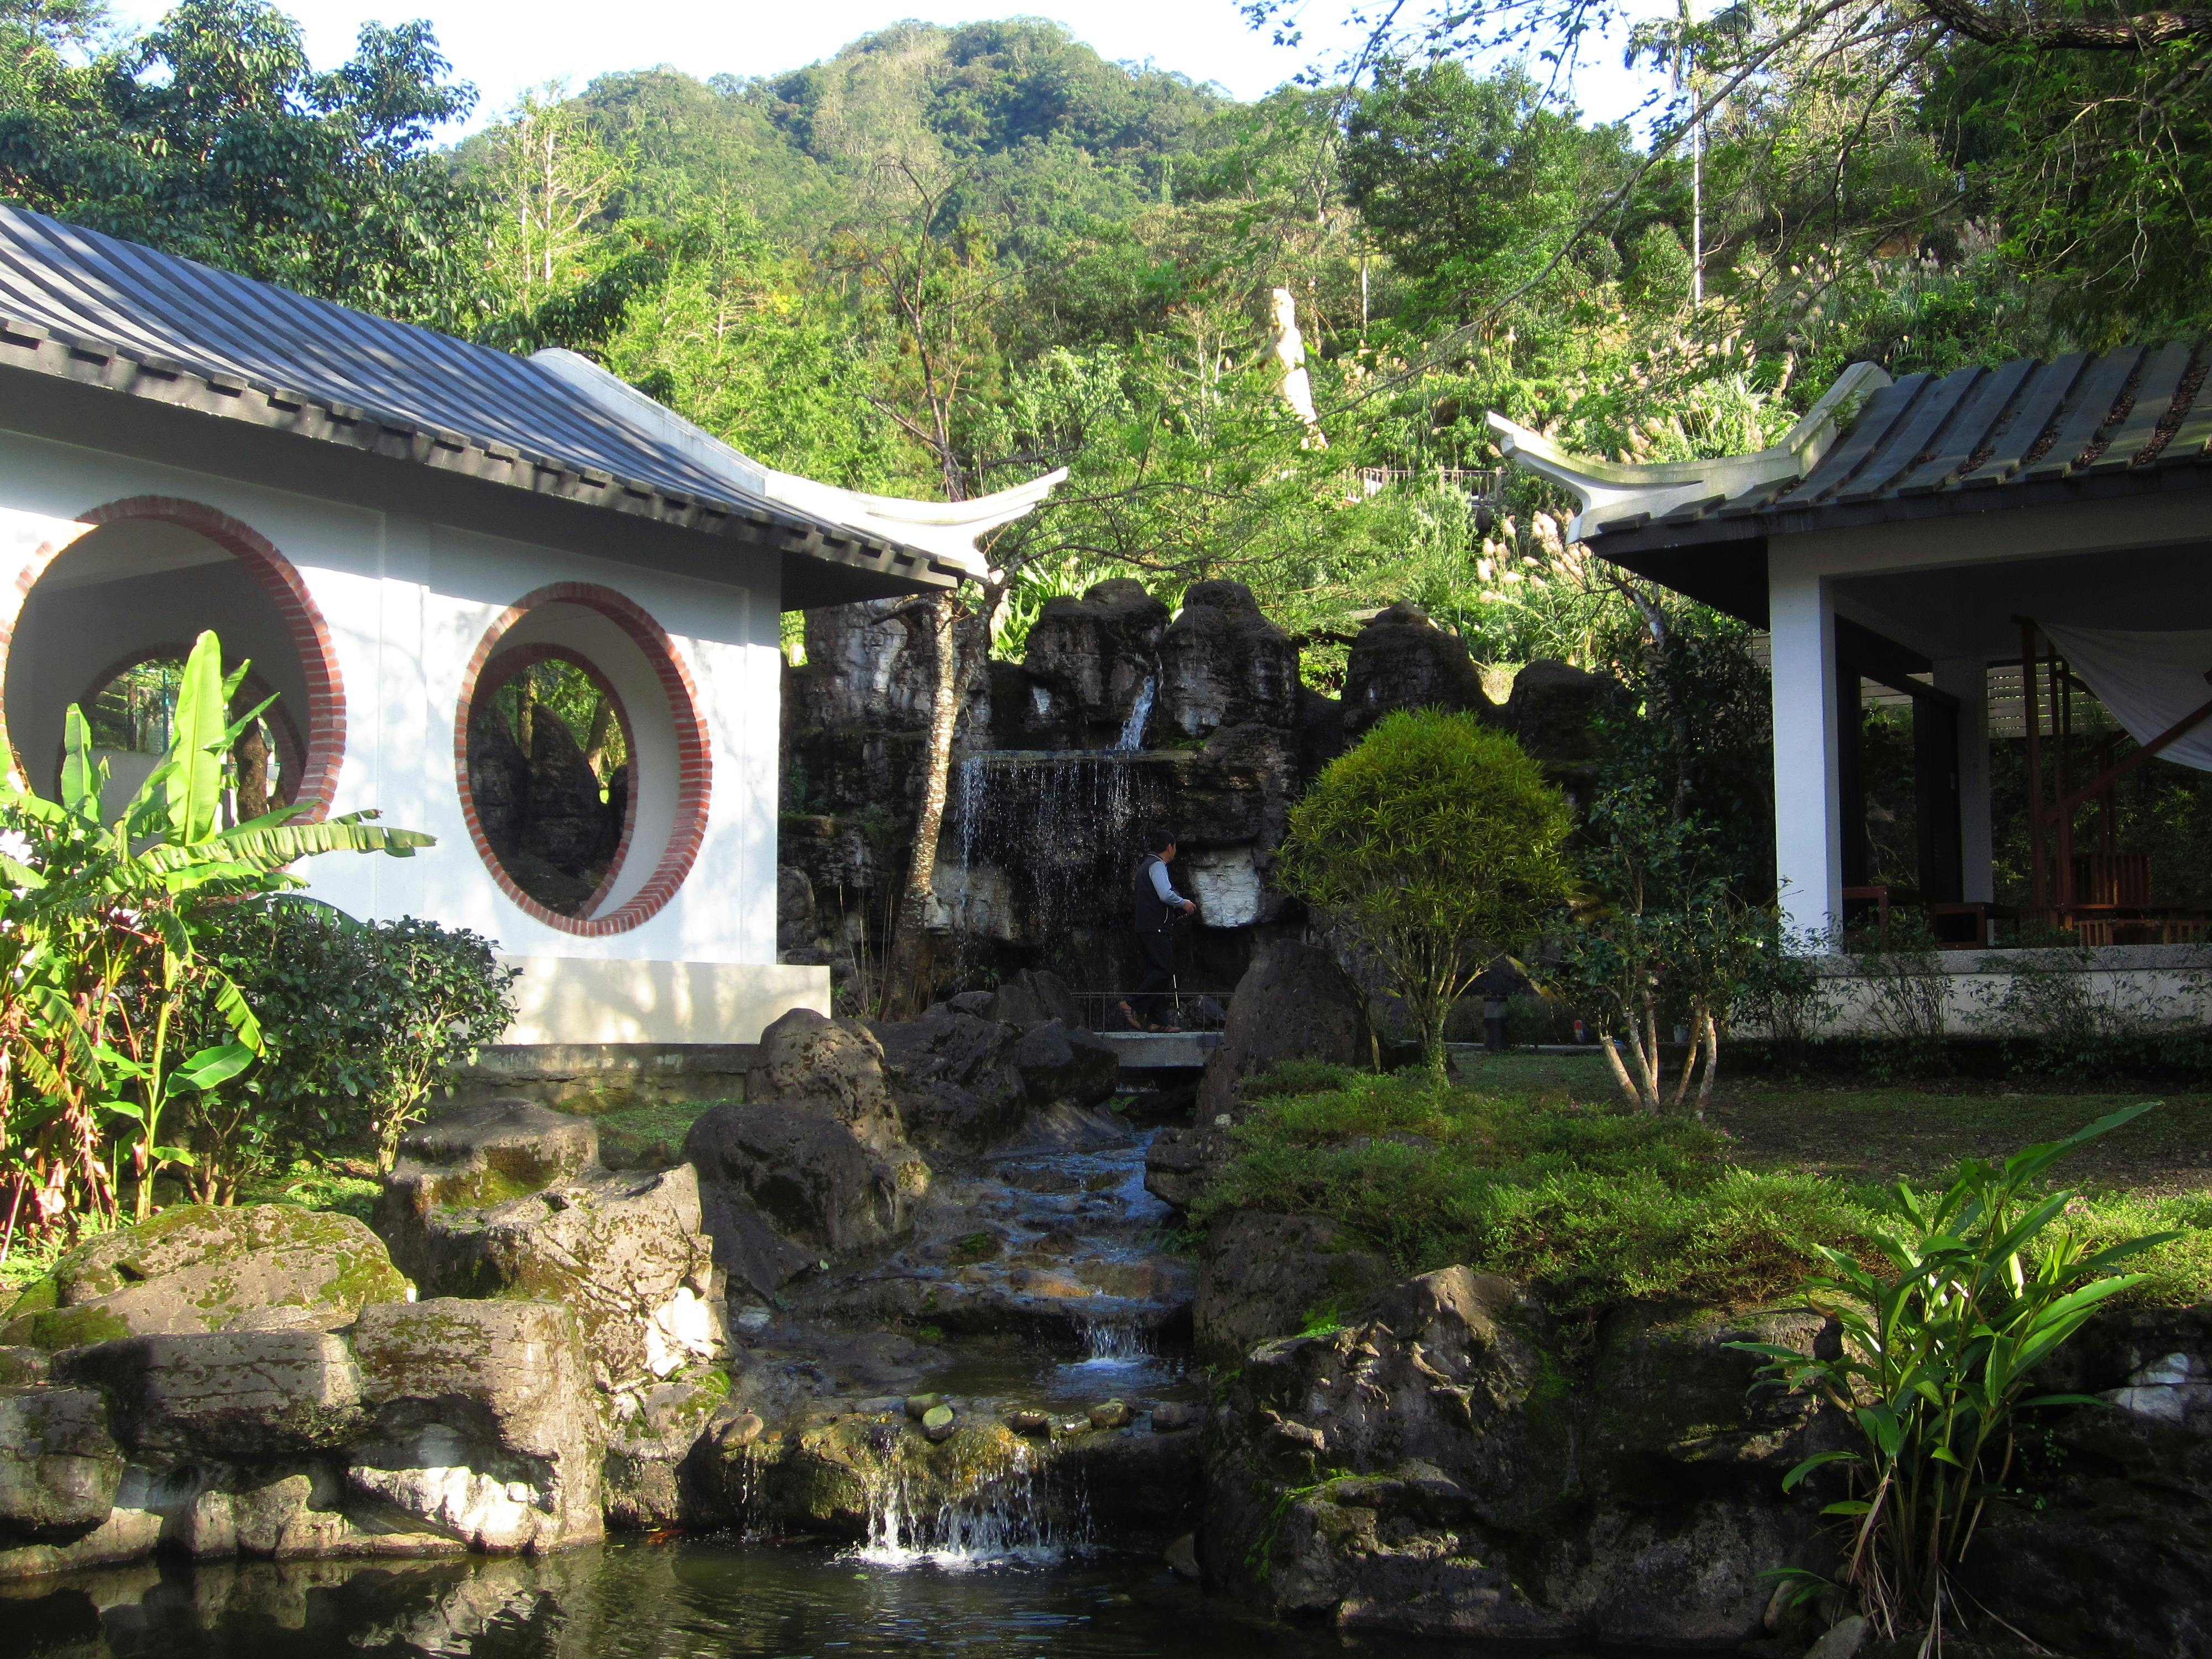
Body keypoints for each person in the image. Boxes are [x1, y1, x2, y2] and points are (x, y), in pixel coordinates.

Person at [1121, 827, 1195, 1031]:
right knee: (1165, 969)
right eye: (1175, 847)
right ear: (1170, 847)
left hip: (1145, 927)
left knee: (1156, 973)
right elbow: (1164, 894)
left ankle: (1158, 1021)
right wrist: (1183, 903)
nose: (1175, 851)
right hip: (1156, 929)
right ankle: (1132, 1004)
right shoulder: (1157, 865)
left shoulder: (1145, 866)